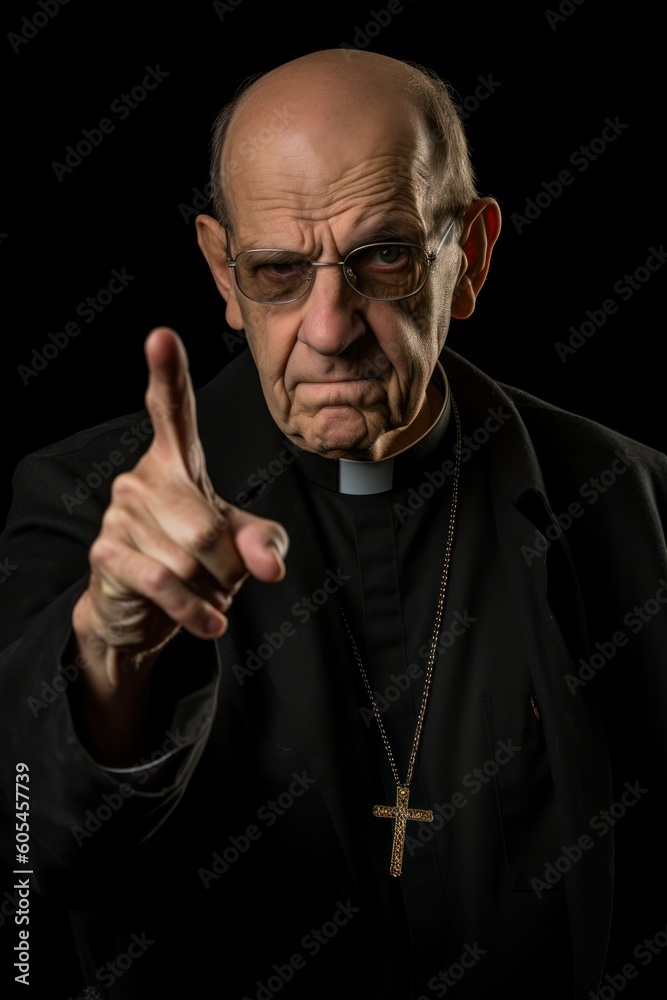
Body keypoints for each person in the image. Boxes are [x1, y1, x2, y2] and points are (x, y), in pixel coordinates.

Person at [1, 47, 666, 1000]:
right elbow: (32, 854)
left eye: (383, 256)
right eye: (276, 270)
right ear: (223, 272)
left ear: (468, 257)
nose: (327, 328)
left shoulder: (631, 499)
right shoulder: (82, 499)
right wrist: (110, 653)